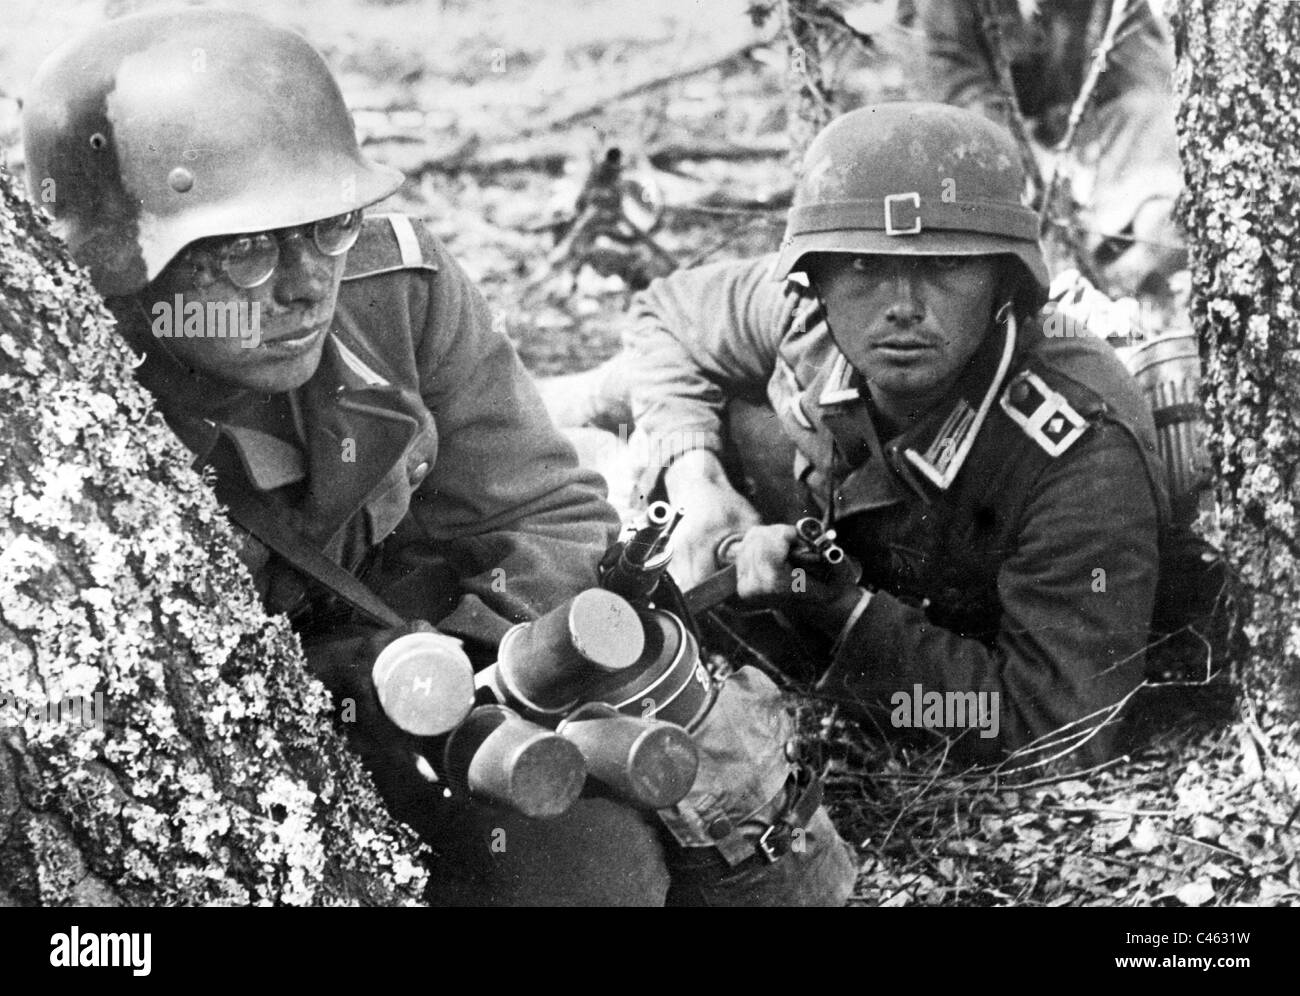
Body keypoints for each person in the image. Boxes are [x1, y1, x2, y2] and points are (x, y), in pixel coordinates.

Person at [21, 7, 854, 905]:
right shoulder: (67, 405)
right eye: (247, 249)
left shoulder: (394, 293)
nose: (307, 284)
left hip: (443, 711)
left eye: (327, 225)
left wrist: (468, 662)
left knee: (598, 872)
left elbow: (543, 511)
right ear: (117, 269)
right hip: (233, 766)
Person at [622, 102, 1170, 767]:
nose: (902, 306)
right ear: (816, 277)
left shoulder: (1080, 452)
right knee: (601, 409)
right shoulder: (807, 317)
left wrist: (847, 619)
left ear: (1007, 282)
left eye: (945, 267)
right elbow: (664, 317)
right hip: (786, 487)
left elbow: (1048, 724)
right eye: (862, 267)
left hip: (896, 585)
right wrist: (696, 477)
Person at [911, 0, 1186, 299]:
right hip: (1000, 142)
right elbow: (959, 87)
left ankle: (1126, 277)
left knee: (1157, 129)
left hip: (1091, 140)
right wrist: (1026, 159)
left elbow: (1145, 73)